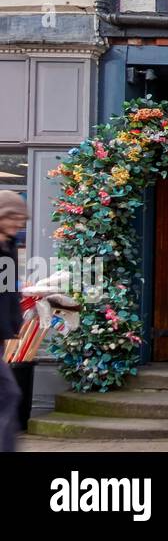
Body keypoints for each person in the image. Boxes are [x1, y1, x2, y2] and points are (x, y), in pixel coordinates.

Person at [0, 191, 28, 452]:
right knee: (9, 394)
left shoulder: (7, 247)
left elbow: (7, 290)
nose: (20, 224)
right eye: (15, 217)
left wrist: (14, 321)